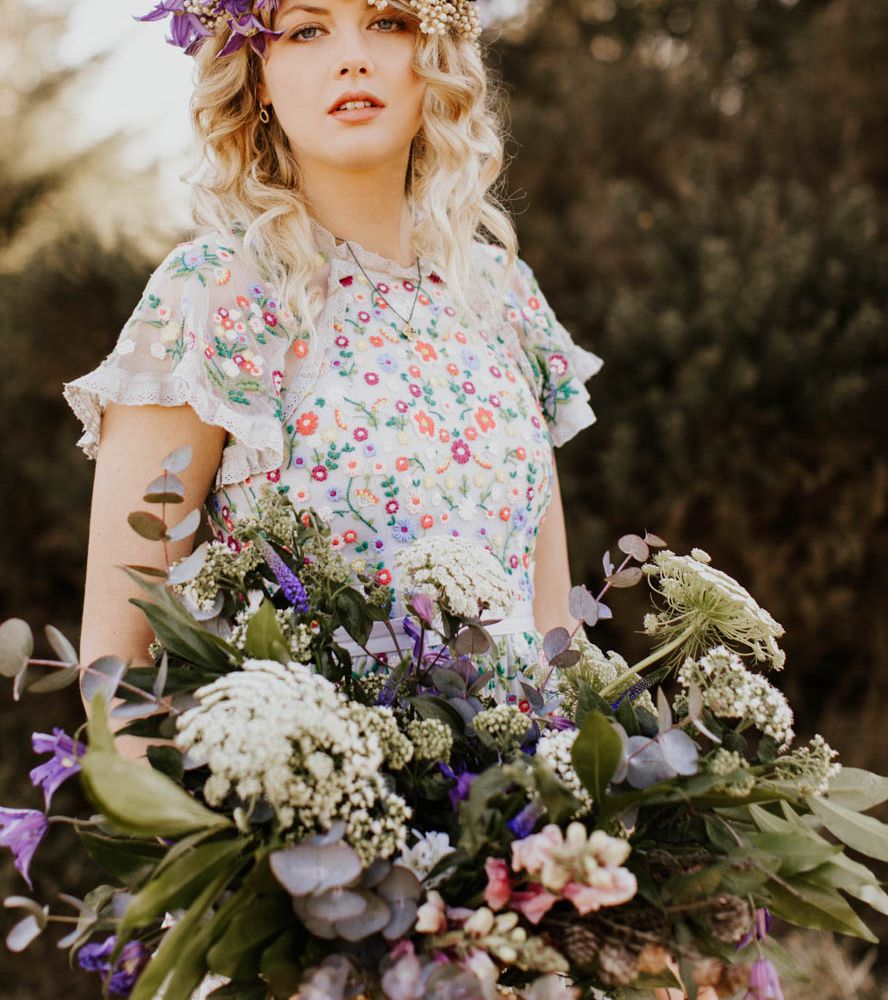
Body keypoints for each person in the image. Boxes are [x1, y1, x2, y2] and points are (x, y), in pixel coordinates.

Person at [63, 3, 718, 998]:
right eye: (306, 30)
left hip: (516, 911)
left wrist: (589, 879)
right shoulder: (212, 297)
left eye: (386, 19)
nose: (354, 58)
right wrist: (247, 894)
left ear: (436, 55)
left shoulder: (501, 299)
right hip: (308, 917)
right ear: (256, 73)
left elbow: (550, 641)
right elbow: (122, 671)